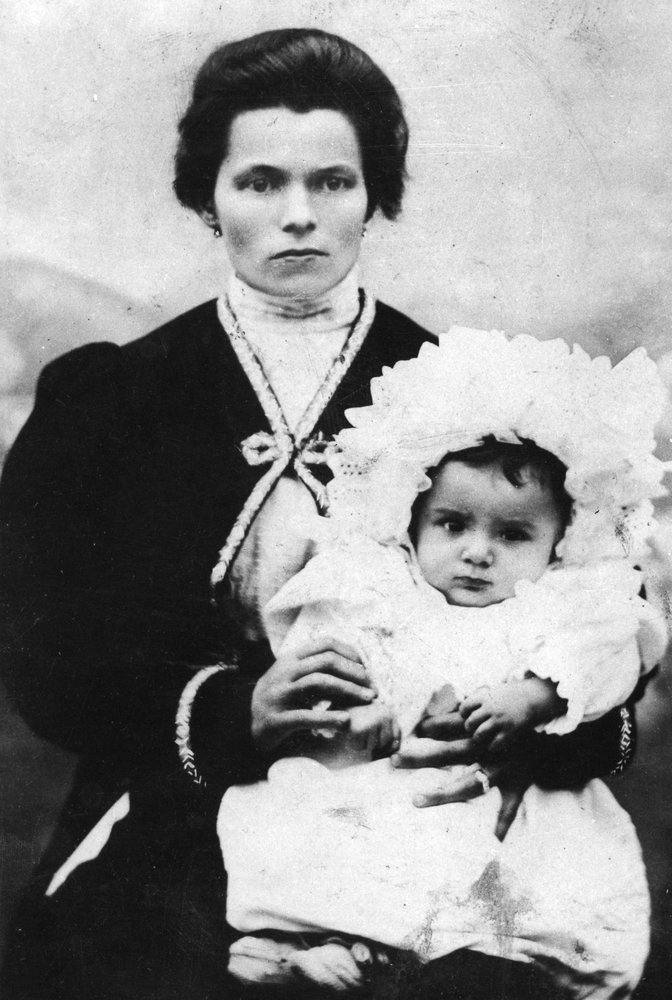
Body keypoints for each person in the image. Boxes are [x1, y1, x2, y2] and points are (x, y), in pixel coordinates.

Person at [0, 29, 643, 1000]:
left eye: (333, 183)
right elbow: (45, 660)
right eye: (259, 182)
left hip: (443, 811)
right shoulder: (114, 399)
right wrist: (232, 711)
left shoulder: (475, 396)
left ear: (374, 196)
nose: (298, 216)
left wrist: (528, 721)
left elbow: (591, 622)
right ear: (206, 198)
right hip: (177, 806)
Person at [220, 328, 668, 999]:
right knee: (321, 836)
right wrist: (357, 709)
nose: (478, 553)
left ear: (559, 543)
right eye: (453, 525)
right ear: (414, 520)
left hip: (510, 798)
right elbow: (327, 652)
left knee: (531, 899)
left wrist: (537, 697)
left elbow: (608, 660)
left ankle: (467, 960)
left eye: (514, 535)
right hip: (382, 778)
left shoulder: (560, 606)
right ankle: (313, 944)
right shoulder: (383, 588)